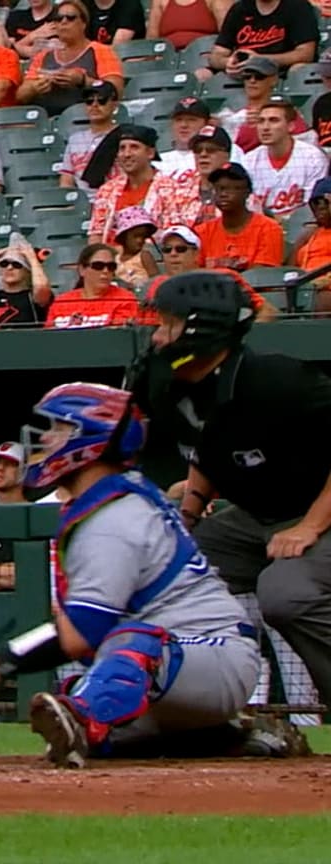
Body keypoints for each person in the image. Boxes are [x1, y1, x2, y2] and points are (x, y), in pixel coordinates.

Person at [0, 381, 303, 766]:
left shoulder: (114, 516)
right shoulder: (110, 498)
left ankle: (85, 719)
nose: (46, 439)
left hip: (210, 652)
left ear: (90, 441)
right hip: (178, 666)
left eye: (59, 429)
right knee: (111, 720)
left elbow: (82, 629)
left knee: (115, 665)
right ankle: (230, 735)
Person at [140, 270, 331, 714]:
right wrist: (186, 517)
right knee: (164, 569)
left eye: (167, 323)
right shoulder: (176, 386)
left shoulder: (277, 379)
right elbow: (206, 454)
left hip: (317, 511)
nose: (157, 336)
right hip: (258, 516)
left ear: (199, 328)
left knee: (285, 593)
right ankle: (199, 705)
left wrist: (309, 526)